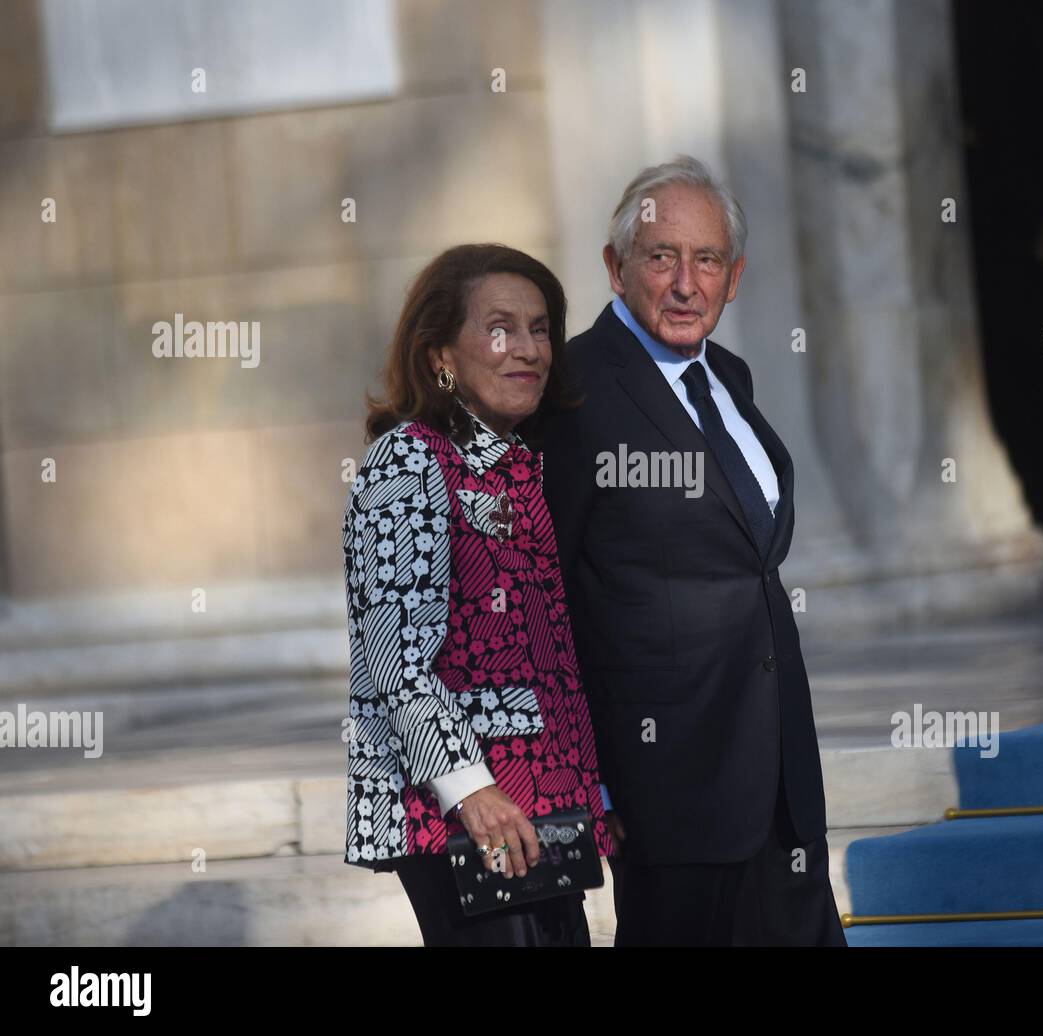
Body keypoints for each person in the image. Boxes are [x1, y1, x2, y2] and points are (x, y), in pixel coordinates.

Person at [542, 156, 846, 946]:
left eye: (706, 259)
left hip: (780, 779)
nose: (685, 283)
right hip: (671, 792)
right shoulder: (572, 390)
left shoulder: (731, 377)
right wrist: (591, 780)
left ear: (733, 277)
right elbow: (549, 597)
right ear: (616, 268)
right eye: (660, 256)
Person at [340, 243, 619, 946]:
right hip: (464, 813)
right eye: (500, 328)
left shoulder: (517, 466)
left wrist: (593, 790)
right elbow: (397, 657)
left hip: (541, 802)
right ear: (441, 353)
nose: (527, 348)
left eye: (540, 328)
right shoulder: (408, 459)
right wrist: (471, 791)